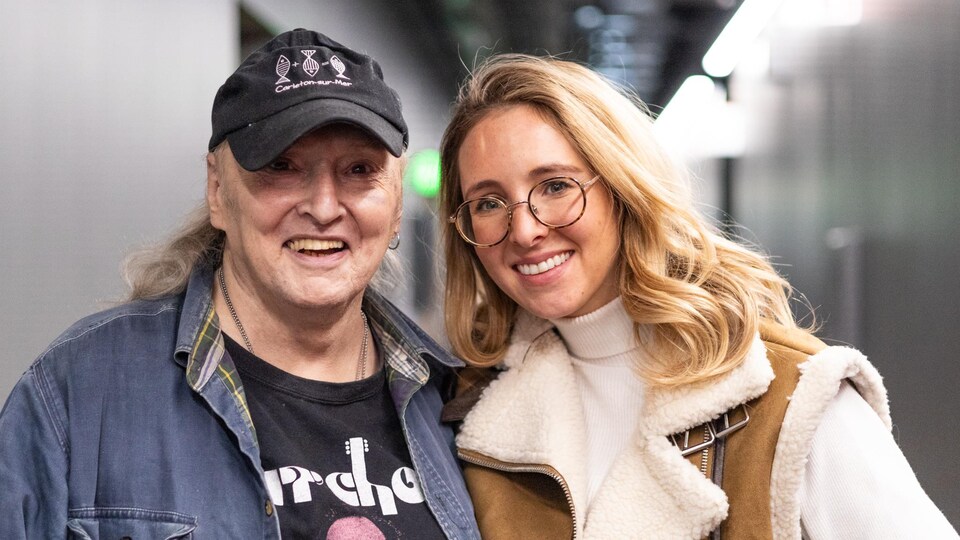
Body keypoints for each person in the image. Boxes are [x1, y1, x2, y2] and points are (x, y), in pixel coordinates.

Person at [438, 54, 958, 539]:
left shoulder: (793, 399)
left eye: (555, 186)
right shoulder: (468, 415)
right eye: (488, 202)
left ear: (623, 188)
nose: (524, 230)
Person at [0, 29, 480, 539]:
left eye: (359, 170)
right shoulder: (80, 391)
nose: (322, 207)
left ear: (397, 201)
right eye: (282, 167)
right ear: (218, 190)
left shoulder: (454, 404)